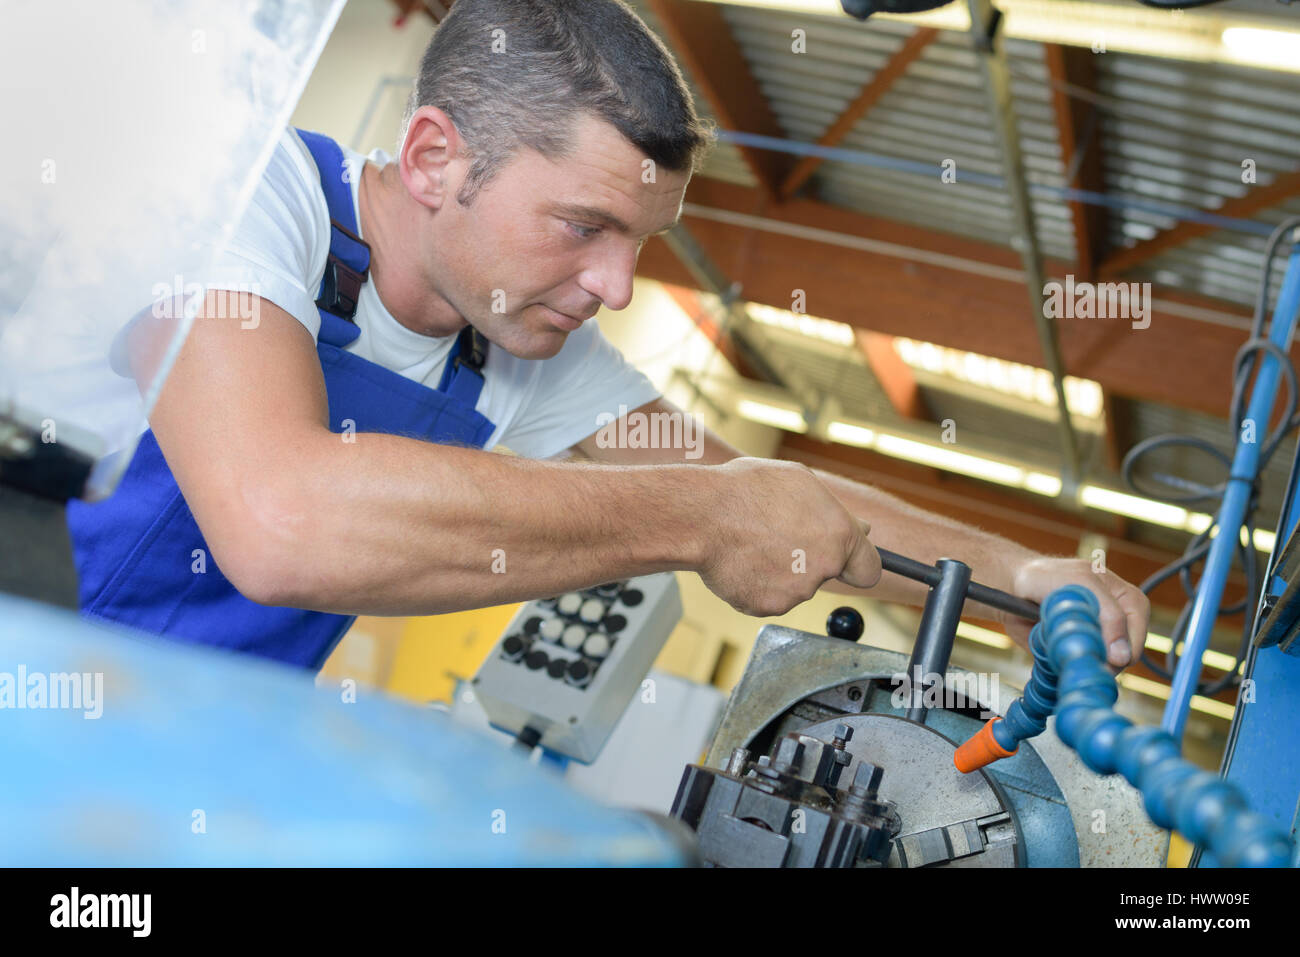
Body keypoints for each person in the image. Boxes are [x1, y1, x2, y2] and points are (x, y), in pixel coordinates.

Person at [66, 0, 1148, 671]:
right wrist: (694, 519)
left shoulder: (516, 354)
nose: (617, 287)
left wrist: (1017, 574)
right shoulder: (251, 198)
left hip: (176, 752)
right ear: (436, 158)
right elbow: (281, 519)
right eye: (585, 227)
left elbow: (772, 496)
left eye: (640, 242)